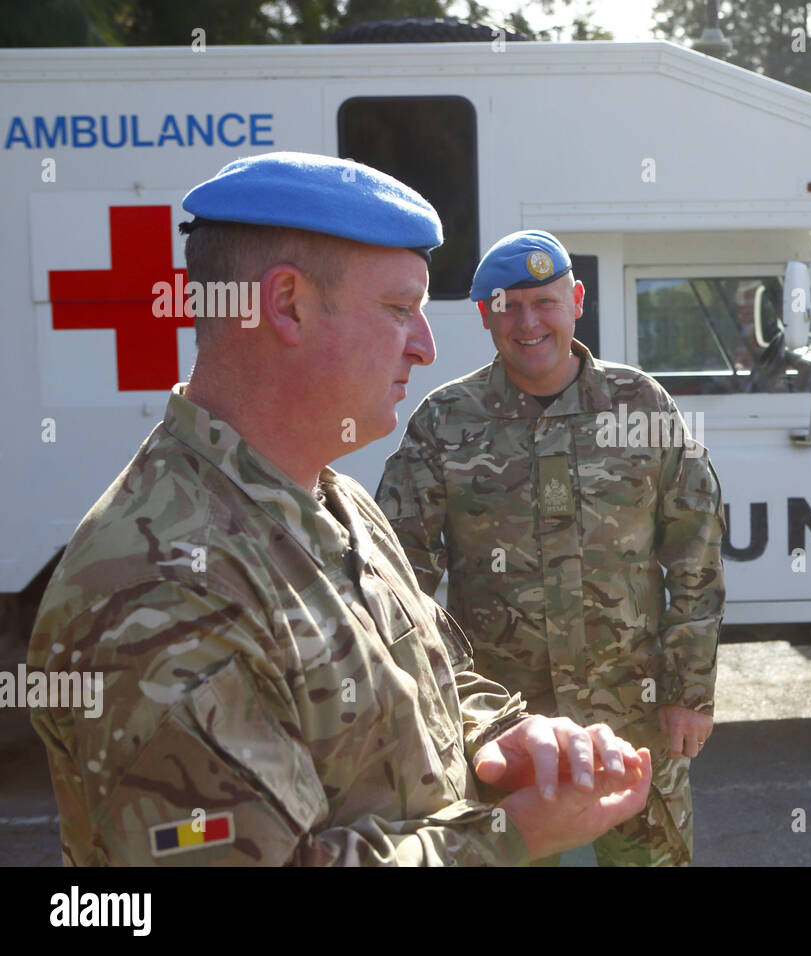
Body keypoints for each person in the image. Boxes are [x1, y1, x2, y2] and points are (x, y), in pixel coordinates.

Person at [26, 152, 651, 866]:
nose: (425, 344)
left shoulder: (334, 498)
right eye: (398, 309)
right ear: (286, 304)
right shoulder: (163, 587)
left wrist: (500, 741)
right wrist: (513, 835)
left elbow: (419, 689)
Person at [377, 230, 725, 866]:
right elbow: (401, 580)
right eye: (508, 305)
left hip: (635, 712)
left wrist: (690, 692)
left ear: (577, 301)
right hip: (507, 725)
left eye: (545, 302)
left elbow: (695, 552)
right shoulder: (444, 422)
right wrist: (423, 707)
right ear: (485, 314)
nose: (527, 321)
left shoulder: (641, 406)